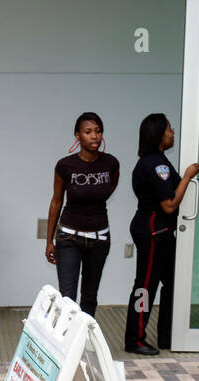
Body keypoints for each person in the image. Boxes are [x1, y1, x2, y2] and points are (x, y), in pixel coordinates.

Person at [125, 114, 199, 355]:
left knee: (171, 283)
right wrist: (187, 177)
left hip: (158, 230)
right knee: (145, 286)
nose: (173, 132)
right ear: (158, 134)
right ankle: (134, 339)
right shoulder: (157, 164)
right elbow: (168, 205)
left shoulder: (156, 160)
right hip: (153, 231)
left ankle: (168, 336)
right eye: (169, 129)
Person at [44, 112, 119, 317]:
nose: (94, 136)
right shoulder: (65, 165)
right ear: (77, 136)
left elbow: (108, 189)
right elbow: (56, 202)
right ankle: (65, 345)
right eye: (88, 132)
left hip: (99, 238)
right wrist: (49, 241)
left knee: (89, 297)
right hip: (69, 237)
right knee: (67, 298)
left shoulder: (111, 163)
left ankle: (84, 343)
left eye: (98, 131)